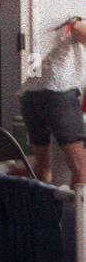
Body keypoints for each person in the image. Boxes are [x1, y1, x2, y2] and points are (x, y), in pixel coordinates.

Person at [19, 16, 86, 186]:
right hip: (56, 92)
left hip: (31, 94)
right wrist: (74, 23)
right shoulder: (81, 27)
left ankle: (43, 210)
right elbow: (77, 26)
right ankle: (78, 213)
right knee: (80, 168)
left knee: (42, 167)